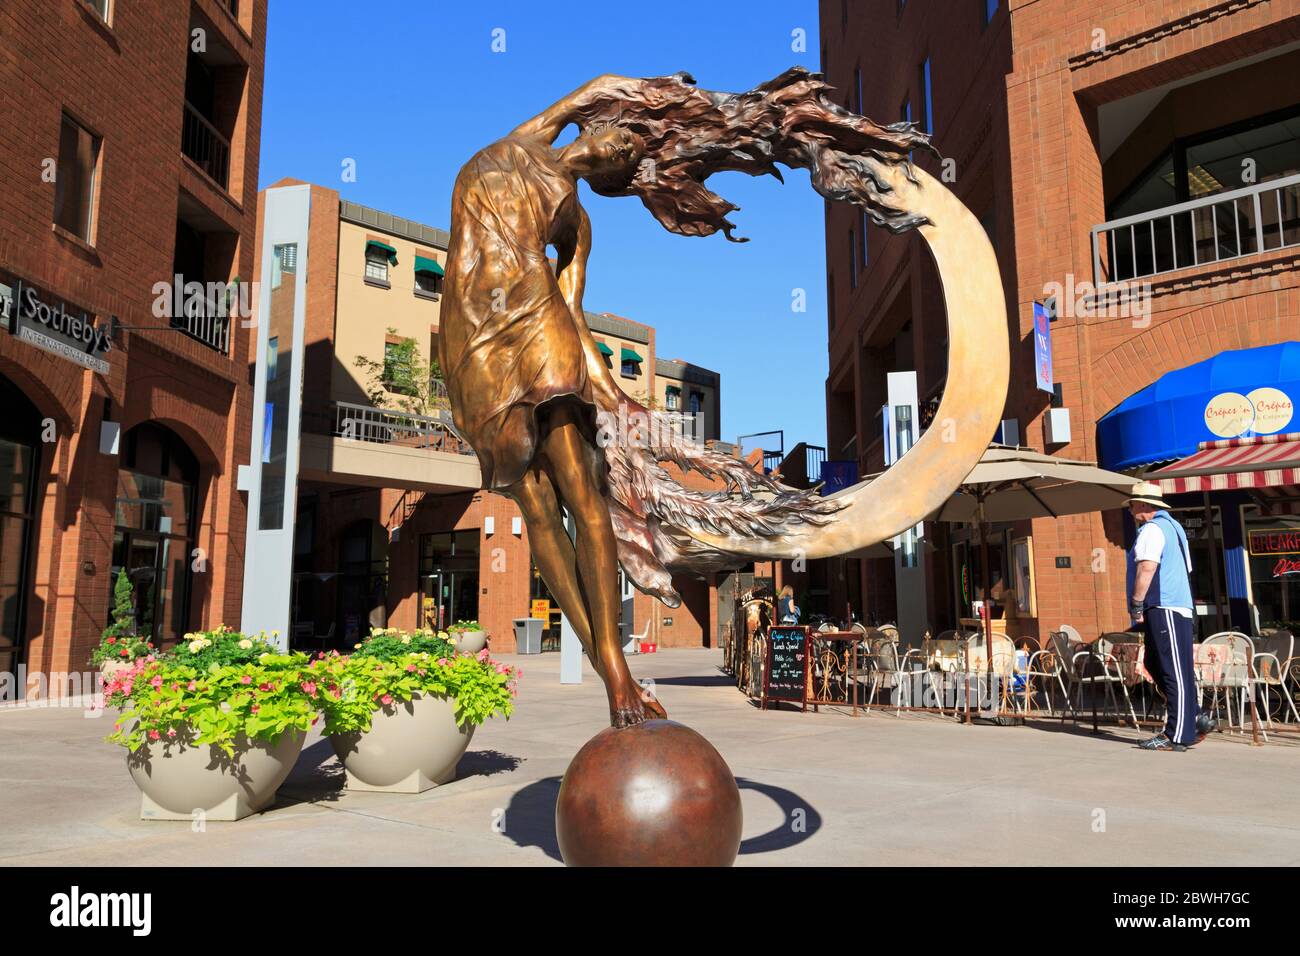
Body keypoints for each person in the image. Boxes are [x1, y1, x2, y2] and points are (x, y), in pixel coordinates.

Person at [1127, 482, 1214, 751]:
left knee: (1172, 670)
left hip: (1165, 606)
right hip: (1172, 606)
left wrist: (1137, 603)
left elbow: (1147, 567)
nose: (1130, 509)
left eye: (1132, 503)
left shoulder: (1153, 529)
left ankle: (1176, 734)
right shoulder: (1174, 527)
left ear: (1143, 505)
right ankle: (1195, 718)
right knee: (1157, 663)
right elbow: (1186, 567)